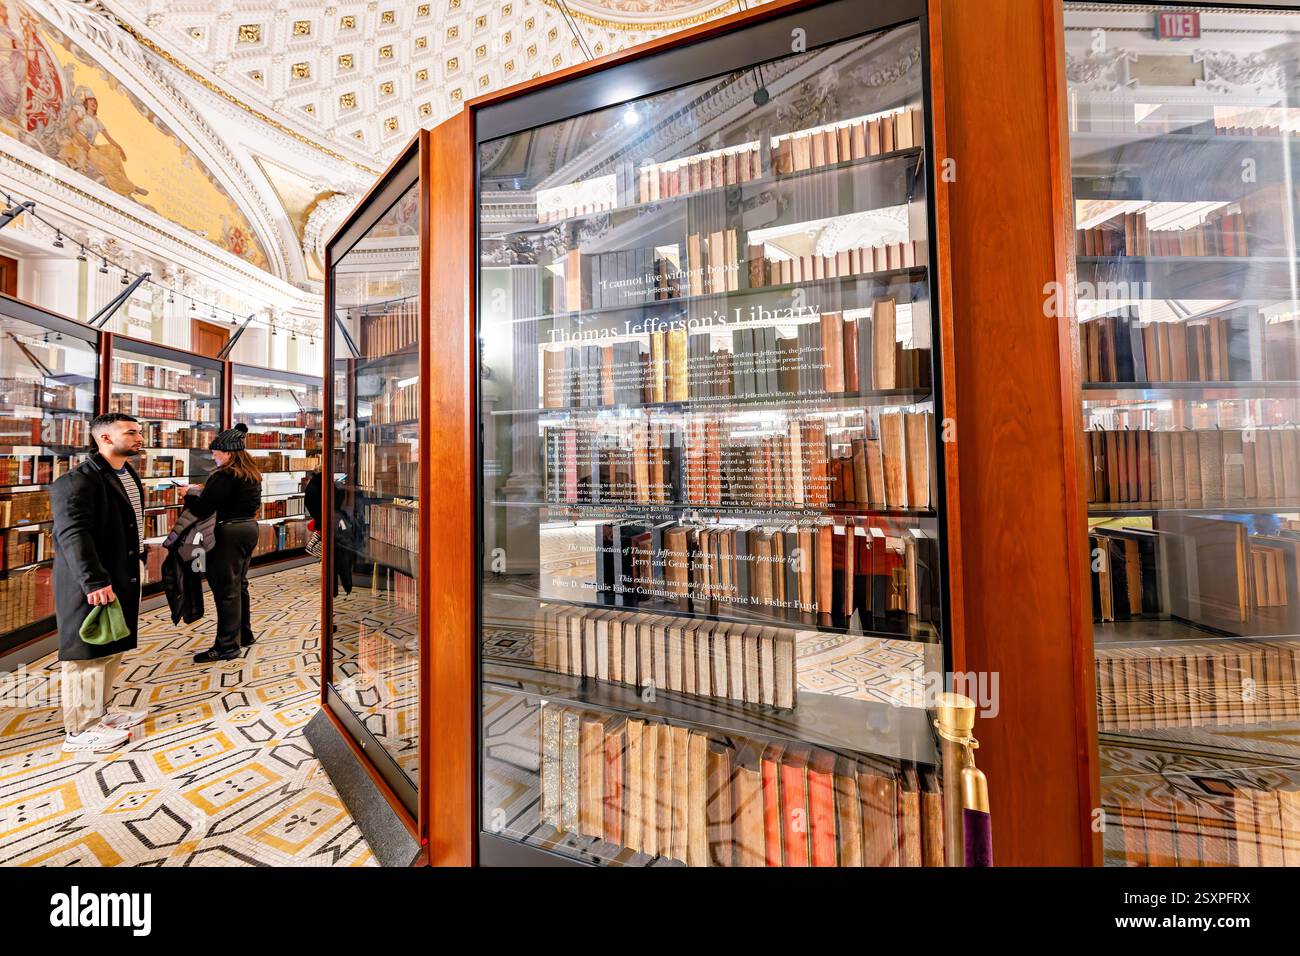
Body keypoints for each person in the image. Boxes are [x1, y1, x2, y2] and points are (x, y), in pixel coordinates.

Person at [50, 412, 149, 753]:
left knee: (110, 648)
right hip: (90, 584)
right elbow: (72, 535)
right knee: (87, 655)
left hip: (120, 577)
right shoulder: (76, 481)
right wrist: (93, 581)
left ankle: (100, 713)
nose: (139, 437)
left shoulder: (126, 473)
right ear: (104, 438)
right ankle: (79, 730)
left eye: (139, 431)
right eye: (131, 432)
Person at [183, 424, 262, 662]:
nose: (213, 456)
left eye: (215, 452)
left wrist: (189, 494)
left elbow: (202, 509)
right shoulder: (251, 473)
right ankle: (244, 634)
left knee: (225, 589)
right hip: (248, 529)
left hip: (227, 534)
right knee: (240, 584)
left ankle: (227, 646)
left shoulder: (224, 474)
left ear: (227, 453)